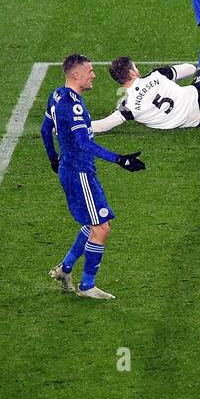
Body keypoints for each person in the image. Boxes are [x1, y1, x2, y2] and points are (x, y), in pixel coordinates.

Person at [40, 54, 146, 300]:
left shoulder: (57, 95)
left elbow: (46, 129)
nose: (93, 75)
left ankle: (64, 270)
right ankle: (87, 286)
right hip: (79, 173)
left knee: (94, 224)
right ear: (76, 75)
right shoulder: (72, 104)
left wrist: (53, 159)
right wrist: (119, 159)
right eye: (89, 71)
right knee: (101, 228)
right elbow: (83, 142)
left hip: (74, 169)